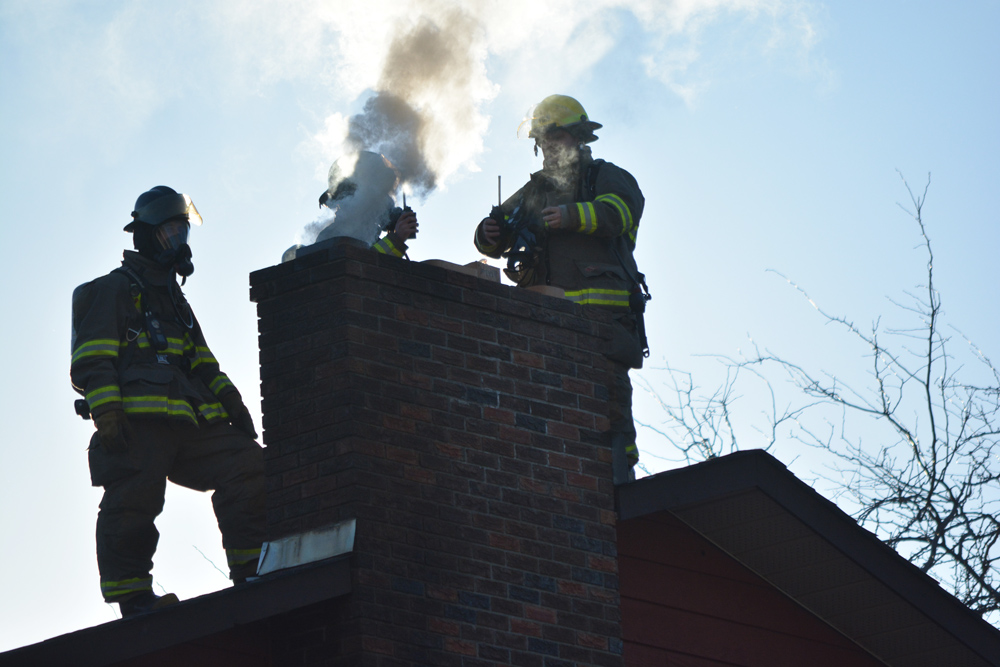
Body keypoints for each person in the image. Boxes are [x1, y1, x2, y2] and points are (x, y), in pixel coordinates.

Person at [71, 186, 266, 617]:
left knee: (248, 465)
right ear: (147, 235)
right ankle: (135, 598)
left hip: (190, 424)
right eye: (171, 231)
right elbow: (91, 360)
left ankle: (252, 571)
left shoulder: (176, 301)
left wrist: (232, 402)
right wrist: (106, 412)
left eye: (184, 231)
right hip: (137, 426)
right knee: (135, 502)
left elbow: (202, 362)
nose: (180, 241)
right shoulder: (115, 290)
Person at [474, 95, 648, 483]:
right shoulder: (535, 190)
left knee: (609, 406)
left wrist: (572, 216)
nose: (549, 146)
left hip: (603, 322)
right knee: (545, 407)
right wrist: (487, 234)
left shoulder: (603, 176)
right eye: (543, 139)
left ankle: (620, 486)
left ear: (577, 136)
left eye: (555, 136)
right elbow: (496, 235)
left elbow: (619, 213)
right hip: (543, 323)